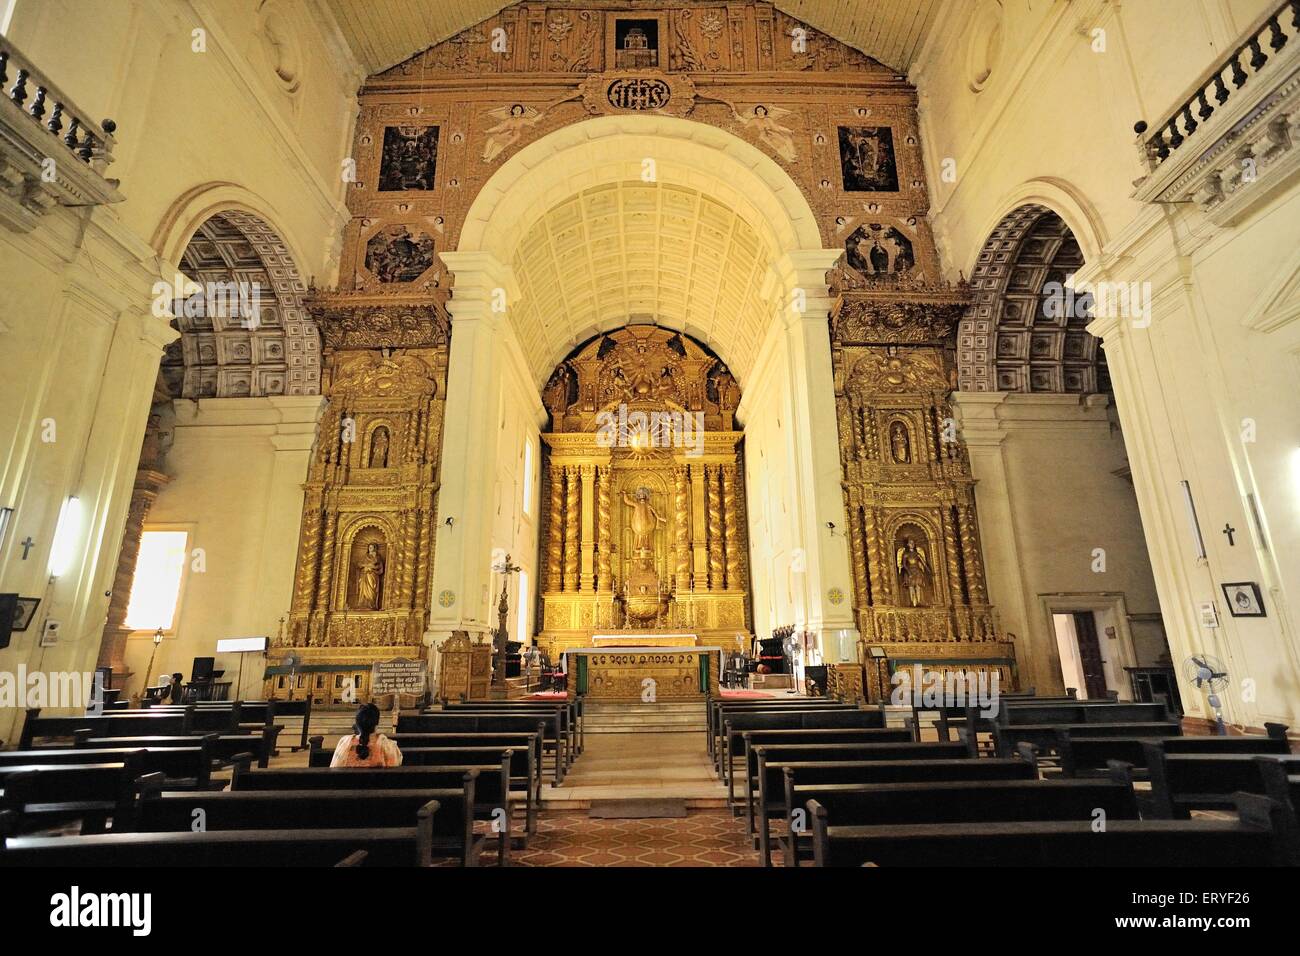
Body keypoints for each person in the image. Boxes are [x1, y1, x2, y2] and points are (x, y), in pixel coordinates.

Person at [330, 702, 402, 767]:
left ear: (357, 724)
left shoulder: (345, 742)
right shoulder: (388, 747)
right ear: (377, 724)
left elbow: (334, 768)